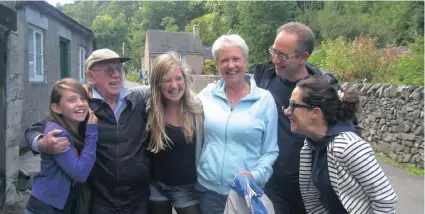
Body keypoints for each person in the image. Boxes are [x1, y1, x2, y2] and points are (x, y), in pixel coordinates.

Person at [24, 49, 151, 213]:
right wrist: (41, 143)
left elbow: (164, 86)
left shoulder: (137, 100)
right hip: (100, 201)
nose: (116, 75)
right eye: (108, 70)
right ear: (91, 77)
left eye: (119, 69)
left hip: (137, 199)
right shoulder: (83, 107)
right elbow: (36, 129)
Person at [252, 22, 359, 214]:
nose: (275, 59)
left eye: (282, 55)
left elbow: (349, 131)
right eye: (273, 51)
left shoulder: (325, 89)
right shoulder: (264, 80)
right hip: (274, 184)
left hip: (315, 187)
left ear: (303, 57)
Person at [285, 76, 397, 213]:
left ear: (315, 113)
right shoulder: (311, 146)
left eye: (292, 105)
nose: (287, 111)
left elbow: (385, 199)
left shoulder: (350, 146)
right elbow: (313, 200)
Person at [196, 34, 279, 214]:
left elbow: (270, 150)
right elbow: (180, 105)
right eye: (224, 60)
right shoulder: (207, 95)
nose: (231, 65)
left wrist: (255, 175)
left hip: (245, 191)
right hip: (208, 191)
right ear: (217, 64)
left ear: (246, 62)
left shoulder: (264, 100)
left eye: (236, 59)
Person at [25, 78, 98, 214]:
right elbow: (79, 173)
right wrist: (92, 133)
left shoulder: (76, 123)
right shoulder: (57, 134)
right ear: (56, 108)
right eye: (72, 100)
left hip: (63, 205)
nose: (81, 104)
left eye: (83, 99)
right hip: (46, 207)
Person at [146, 52, 203, 214]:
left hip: (187, 188)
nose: (174, 85)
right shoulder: (149, 109)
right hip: (155, 186)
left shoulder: (197, 109)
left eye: (178, 78)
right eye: (166, 80)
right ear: (158, 83)